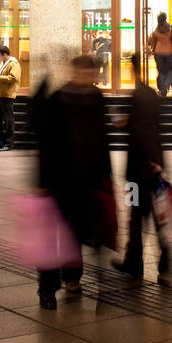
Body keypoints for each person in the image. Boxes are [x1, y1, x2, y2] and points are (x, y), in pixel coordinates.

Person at [36, 55, 113, 308]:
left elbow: (103, 139)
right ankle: (47, 288)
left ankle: (72, 279)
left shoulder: (96, 98)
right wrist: (43, 182)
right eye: (84, 72)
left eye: (91, 73)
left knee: (78, 232)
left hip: (88, 179)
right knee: (53, 236)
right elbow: (46, 143)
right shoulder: (59, 99)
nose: (88, 77)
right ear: (75, 72)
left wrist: (106, 174)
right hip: (60, 178)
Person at [112, 53, 172, 285]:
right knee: (159, 219)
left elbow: (135, 129)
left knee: (136, 218)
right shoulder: (151, 96)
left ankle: (134, 264)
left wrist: (121, 122)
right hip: (155, 170)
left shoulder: (135, 97)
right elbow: (154, 129)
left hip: (138, 172)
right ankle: (165, 266)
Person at [145, 13, 172, 97]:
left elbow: (153, 44)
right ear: (165, 18)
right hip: (169, 52)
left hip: (158, 54)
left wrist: (152, 51)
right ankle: (166, 86)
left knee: (161, 72)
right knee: (169, 71)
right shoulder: (171, 28)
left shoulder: (156, 31)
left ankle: (162, 89)